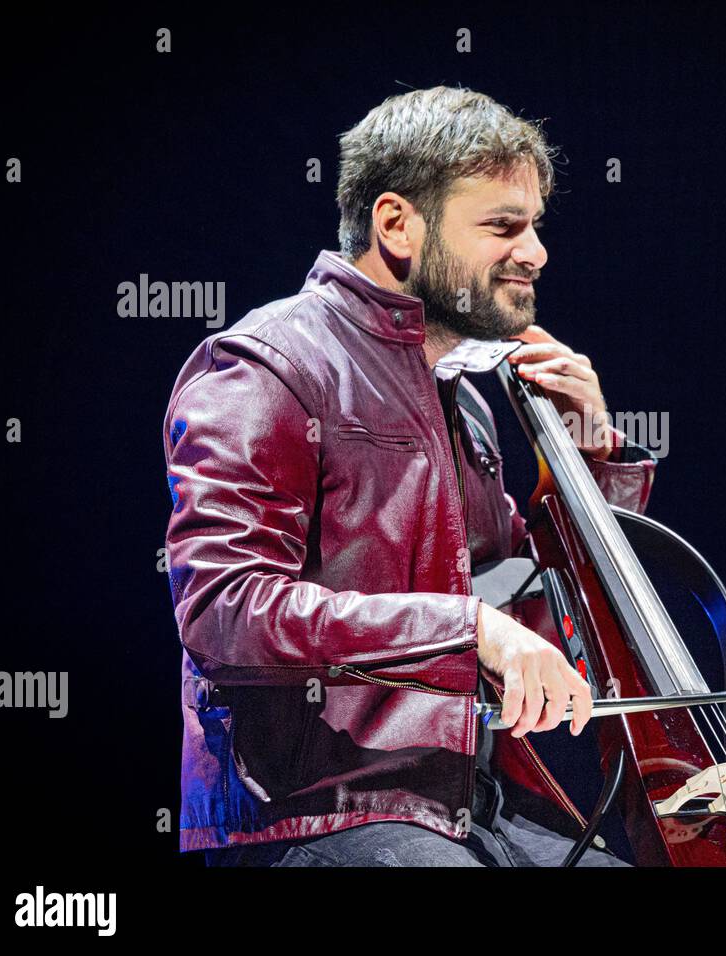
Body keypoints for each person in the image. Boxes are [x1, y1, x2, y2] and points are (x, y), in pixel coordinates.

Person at [162, 87, 657, 866]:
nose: (536, 252)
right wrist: (466, 631)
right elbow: (228, 611)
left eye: (535, 225)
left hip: (465, 810)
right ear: (396, 224)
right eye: (503, 226)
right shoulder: (269, 366)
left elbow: (548, 615)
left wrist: (591, 454)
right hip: (316, 815)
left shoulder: (465, 403)